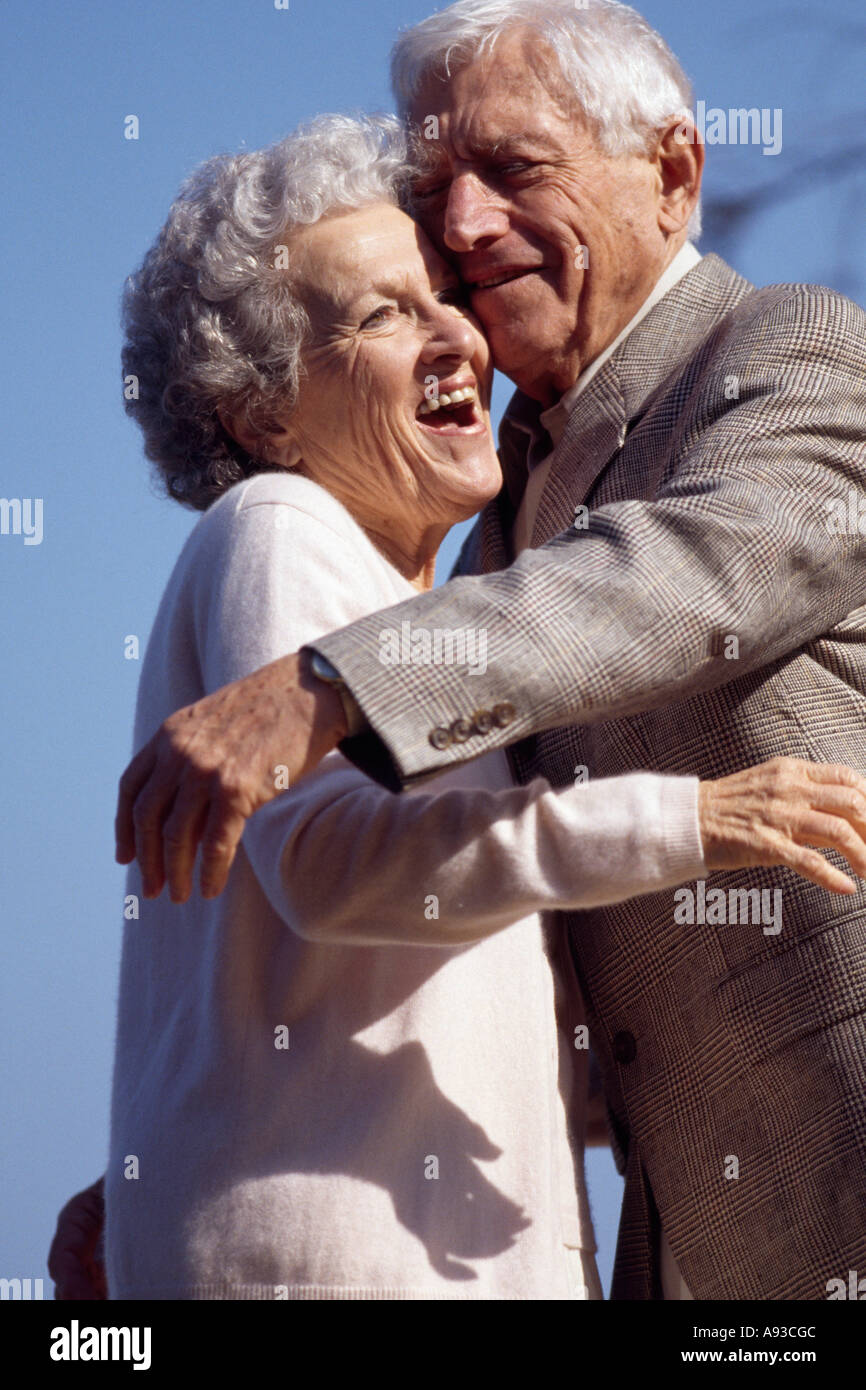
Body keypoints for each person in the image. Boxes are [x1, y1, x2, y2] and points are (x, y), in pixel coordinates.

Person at [111, 1, 866, 1300]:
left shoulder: (787, 351)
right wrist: (162, 1166)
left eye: (513, 170)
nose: (460, 231)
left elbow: (687, 580)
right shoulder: (482, 540)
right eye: (432, 190)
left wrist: (328, 684)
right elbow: (454, 931)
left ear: (674, 175)